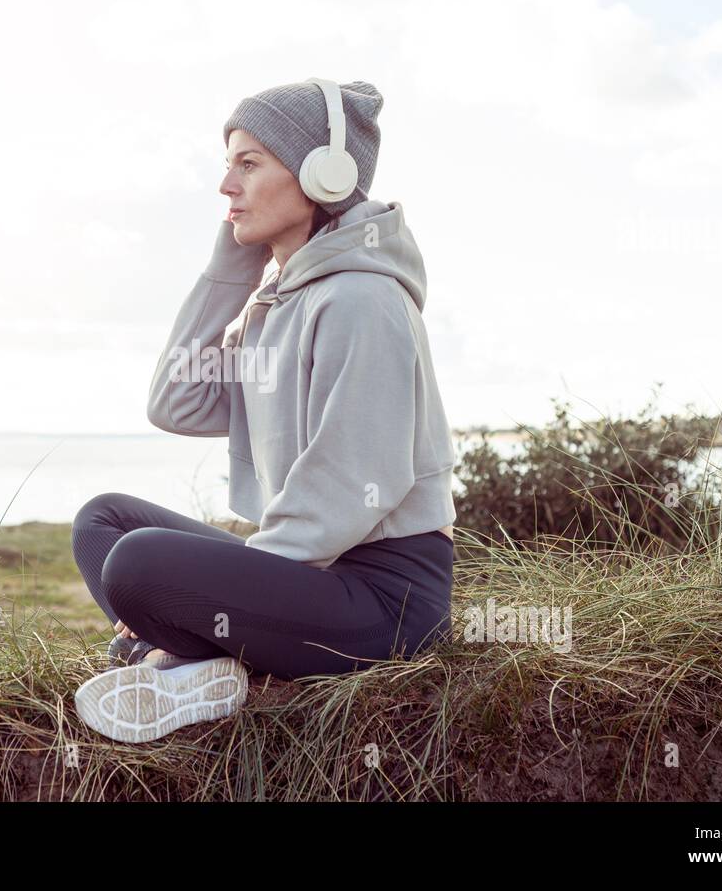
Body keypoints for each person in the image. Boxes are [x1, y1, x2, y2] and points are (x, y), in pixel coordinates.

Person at [72, 79, 458, 743]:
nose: (226, 185)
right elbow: (177, 400)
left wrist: (224, 589)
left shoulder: (363, 301)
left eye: (249, 164)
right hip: (315, 577)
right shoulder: (277, 304)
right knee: (103, 522)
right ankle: (205, 661)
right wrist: (233, 265)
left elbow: (352, 483)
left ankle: (183, 659)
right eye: (228, 165)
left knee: (138, 566)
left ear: (324, 175)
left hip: (385, 602)